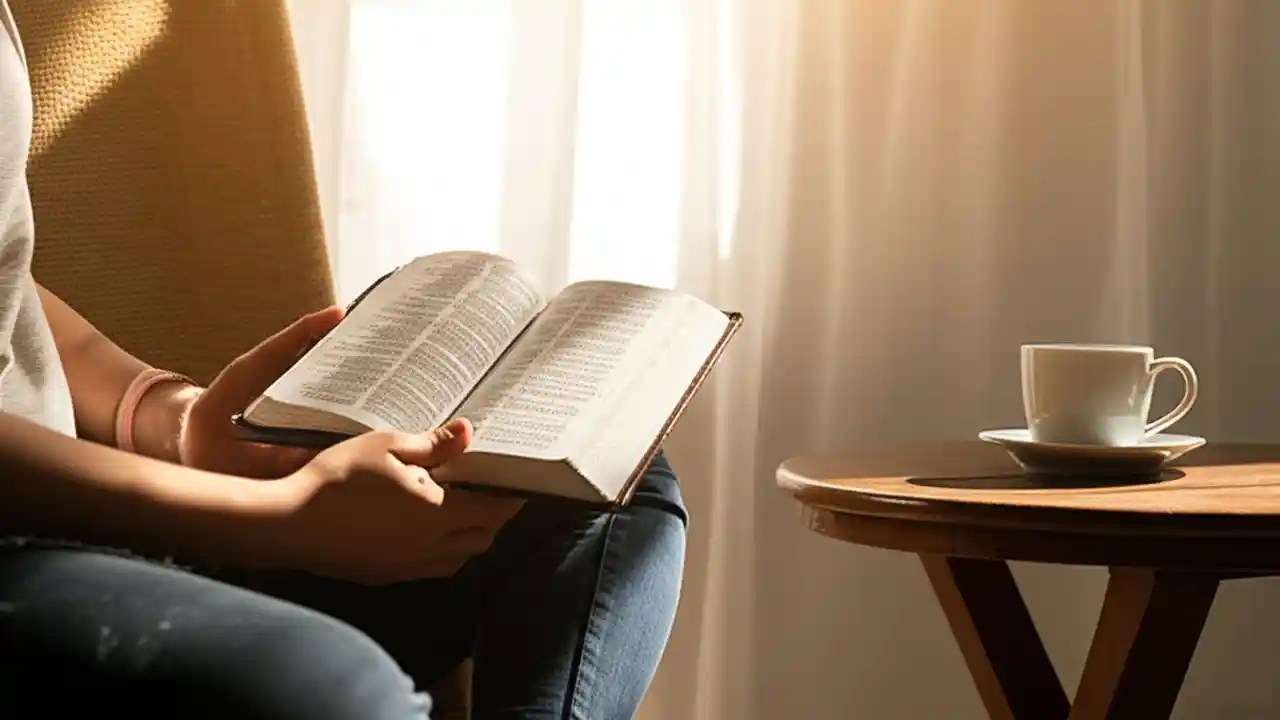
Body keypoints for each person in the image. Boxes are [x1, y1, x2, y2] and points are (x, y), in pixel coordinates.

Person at [0, 4, 687, 718]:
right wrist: (272, 516)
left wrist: (163, 417)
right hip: (32, 546)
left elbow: (7, 273)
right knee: (341, 690)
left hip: (91, 515)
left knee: (600, 484)